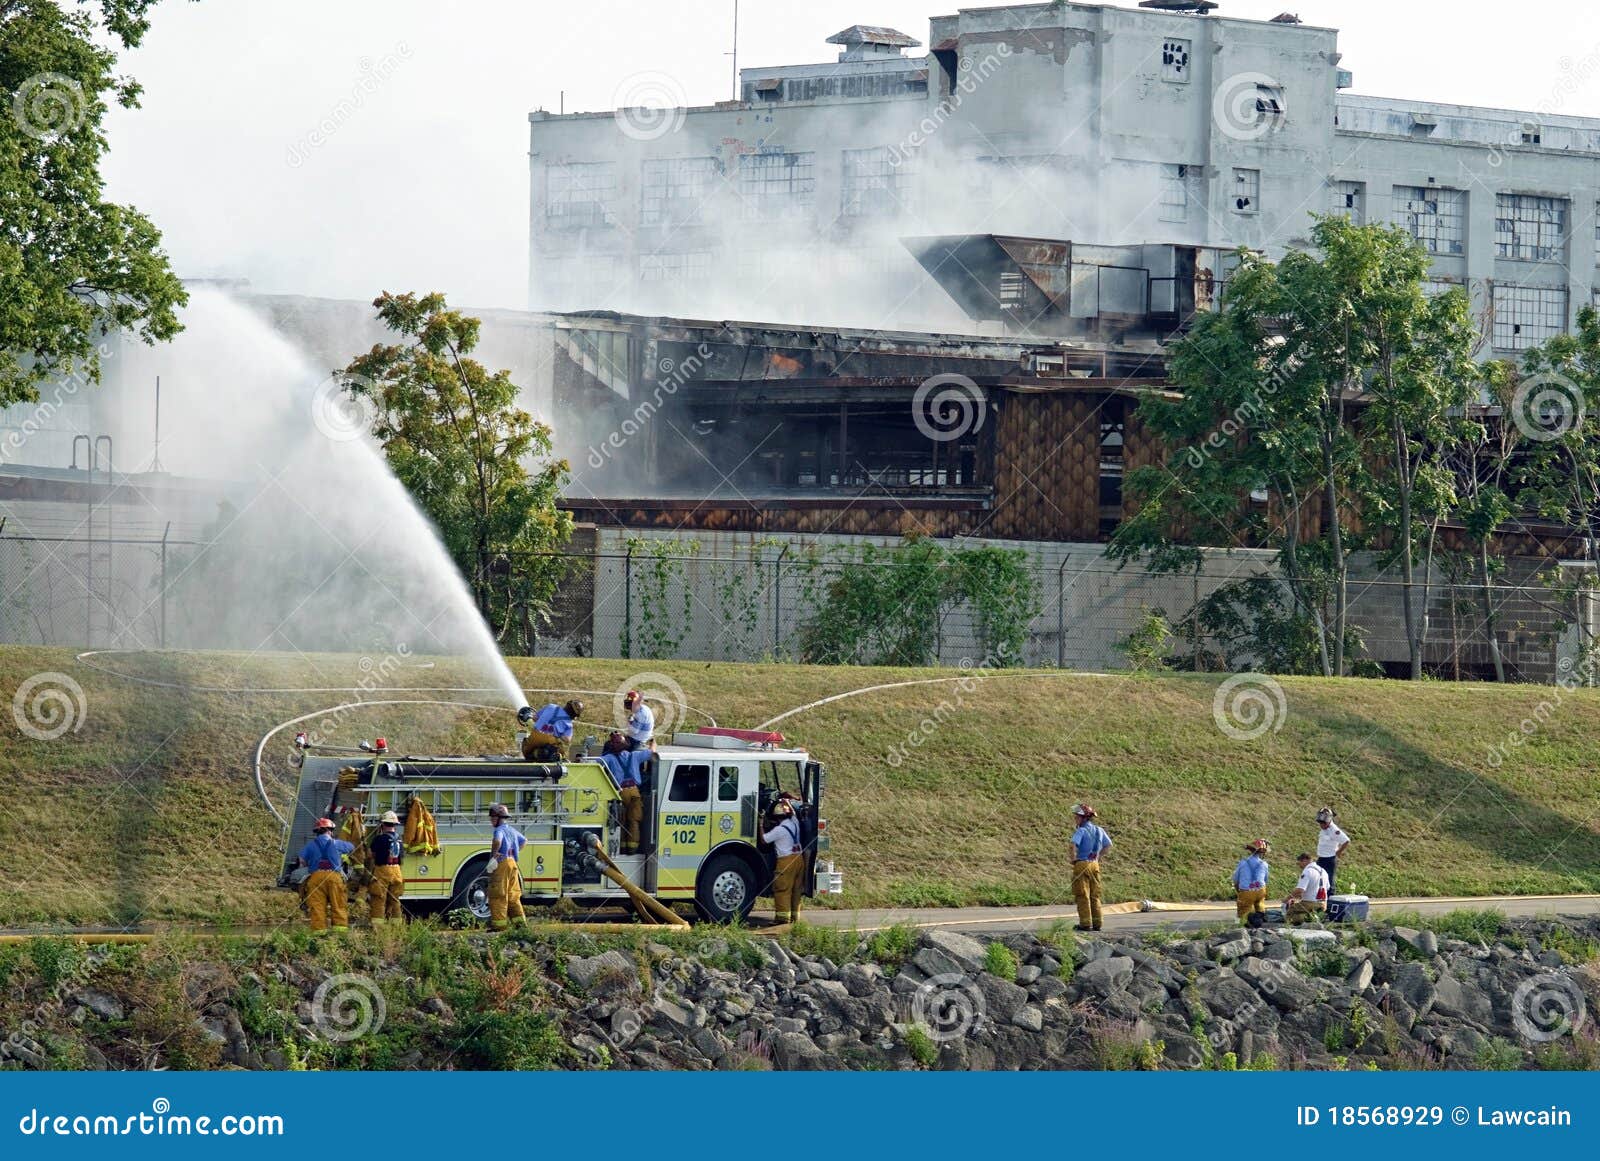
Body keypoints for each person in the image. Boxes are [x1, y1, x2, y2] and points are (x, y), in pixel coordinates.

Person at [297, 817, 354, 933]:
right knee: (338, 905)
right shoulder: (337, 843)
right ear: (330, 830)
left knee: (317, 907)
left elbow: (301, 860)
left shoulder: (310, 845)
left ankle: (319, 934)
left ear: (317, 832)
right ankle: (340, 933)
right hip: (334, 877)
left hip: (316, 878)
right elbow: (352, 847)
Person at [1069, 803, 1112, 932]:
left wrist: (1073, 859)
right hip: (1095, 864)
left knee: (1082, 894)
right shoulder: (1099, 830)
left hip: (1082, 863)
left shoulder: (1081, 831)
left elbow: (1072, 846)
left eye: (1077, 816)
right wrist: (1098, 857)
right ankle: (1098, 923)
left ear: (1083, 818)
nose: (1075, 818)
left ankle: (1085, 924)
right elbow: (1108, 845)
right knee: (1095, 895)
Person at [763, 798, 805, 925]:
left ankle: (782, 919)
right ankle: (794, 917)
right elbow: (793, 813)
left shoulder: (778, 830)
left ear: (776, 819)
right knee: (796, 890)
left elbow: (764, 840)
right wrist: (787, 804)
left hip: (786, 861)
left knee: (782, 889)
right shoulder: (794, 823)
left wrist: (760, 824)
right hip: (799, 860)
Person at [486, 803, 527, 930]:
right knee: (513, 895)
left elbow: (497, 841)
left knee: (498, 894)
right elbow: (524, 841)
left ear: (499, 818)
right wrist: (515, 852)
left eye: (493, 818)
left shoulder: (499, 830)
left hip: (502, 863)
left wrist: (493, 856)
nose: (491, 820)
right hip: (512, 863)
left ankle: (499, 926)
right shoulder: (511, 830)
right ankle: (520, 924)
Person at [368, 809, 405, 927]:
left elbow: (371, 855)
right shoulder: (400, 839)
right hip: (397, 871)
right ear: (395, 825)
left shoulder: (379, 839)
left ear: (382, 824)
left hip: (383, 871)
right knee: (395, 899)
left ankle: (378, 927)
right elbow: (402, 857)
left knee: (379, 898)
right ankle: (396, 926)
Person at [1285, 852, 1330, 925]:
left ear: (1305, 860)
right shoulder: (1323, 871)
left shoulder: (1307, 871)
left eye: (1299, 863)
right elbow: (1327, 888)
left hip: (1310, 903)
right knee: (1302, 909)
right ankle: (1316, 916)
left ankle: (1307, 919)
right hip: (1323, 904)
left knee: (1289, 912)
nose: (1299, 865)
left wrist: (1286, 899)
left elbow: (1299, 890)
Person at [1232, 839, 1271, 924]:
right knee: (1260, 904)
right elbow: (1266, 879)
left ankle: (1247, 922)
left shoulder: (1243, 863)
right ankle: (1260, 916)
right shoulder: (1264, 864)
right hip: (1261, 890)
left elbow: (1236, 878)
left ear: (1250, 851)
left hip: (1246, 891)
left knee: (1244, 909)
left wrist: (1238, 888)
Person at [1314, 808, 1351, 894]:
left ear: (1328, 821)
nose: (1321, 825)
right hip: (1321, 858)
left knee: (1329, 881)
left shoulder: (1334, 830)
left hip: (1330, 859)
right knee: (1319, 880)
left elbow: (1346, 841)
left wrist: (1338, 852)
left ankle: (1330, 900)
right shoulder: (1324, 829)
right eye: (1320, 823)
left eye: (1323, 823)